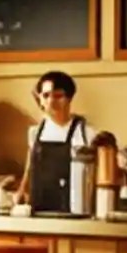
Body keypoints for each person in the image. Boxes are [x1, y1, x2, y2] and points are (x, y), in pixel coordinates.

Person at [15, 70, 96, 212]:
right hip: (38, 211)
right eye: (46, 96)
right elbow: (29, 172)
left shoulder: (85, 133)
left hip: (74, 211)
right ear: (39, 98)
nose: (51, 101)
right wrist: (19, 194)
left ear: (69, 98)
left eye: (58, 96)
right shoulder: (35, 133)